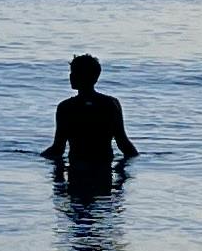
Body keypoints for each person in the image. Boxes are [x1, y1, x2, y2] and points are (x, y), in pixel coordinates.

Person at [44, 52, 137, 189]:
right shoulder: (110, 104)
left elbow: (58, 149)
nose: (70, 76)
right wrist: (122, 179)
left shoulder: (66, 107)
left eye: (74, 72)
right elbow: (124, 144)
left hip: (77, 170)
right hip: (103, 171)